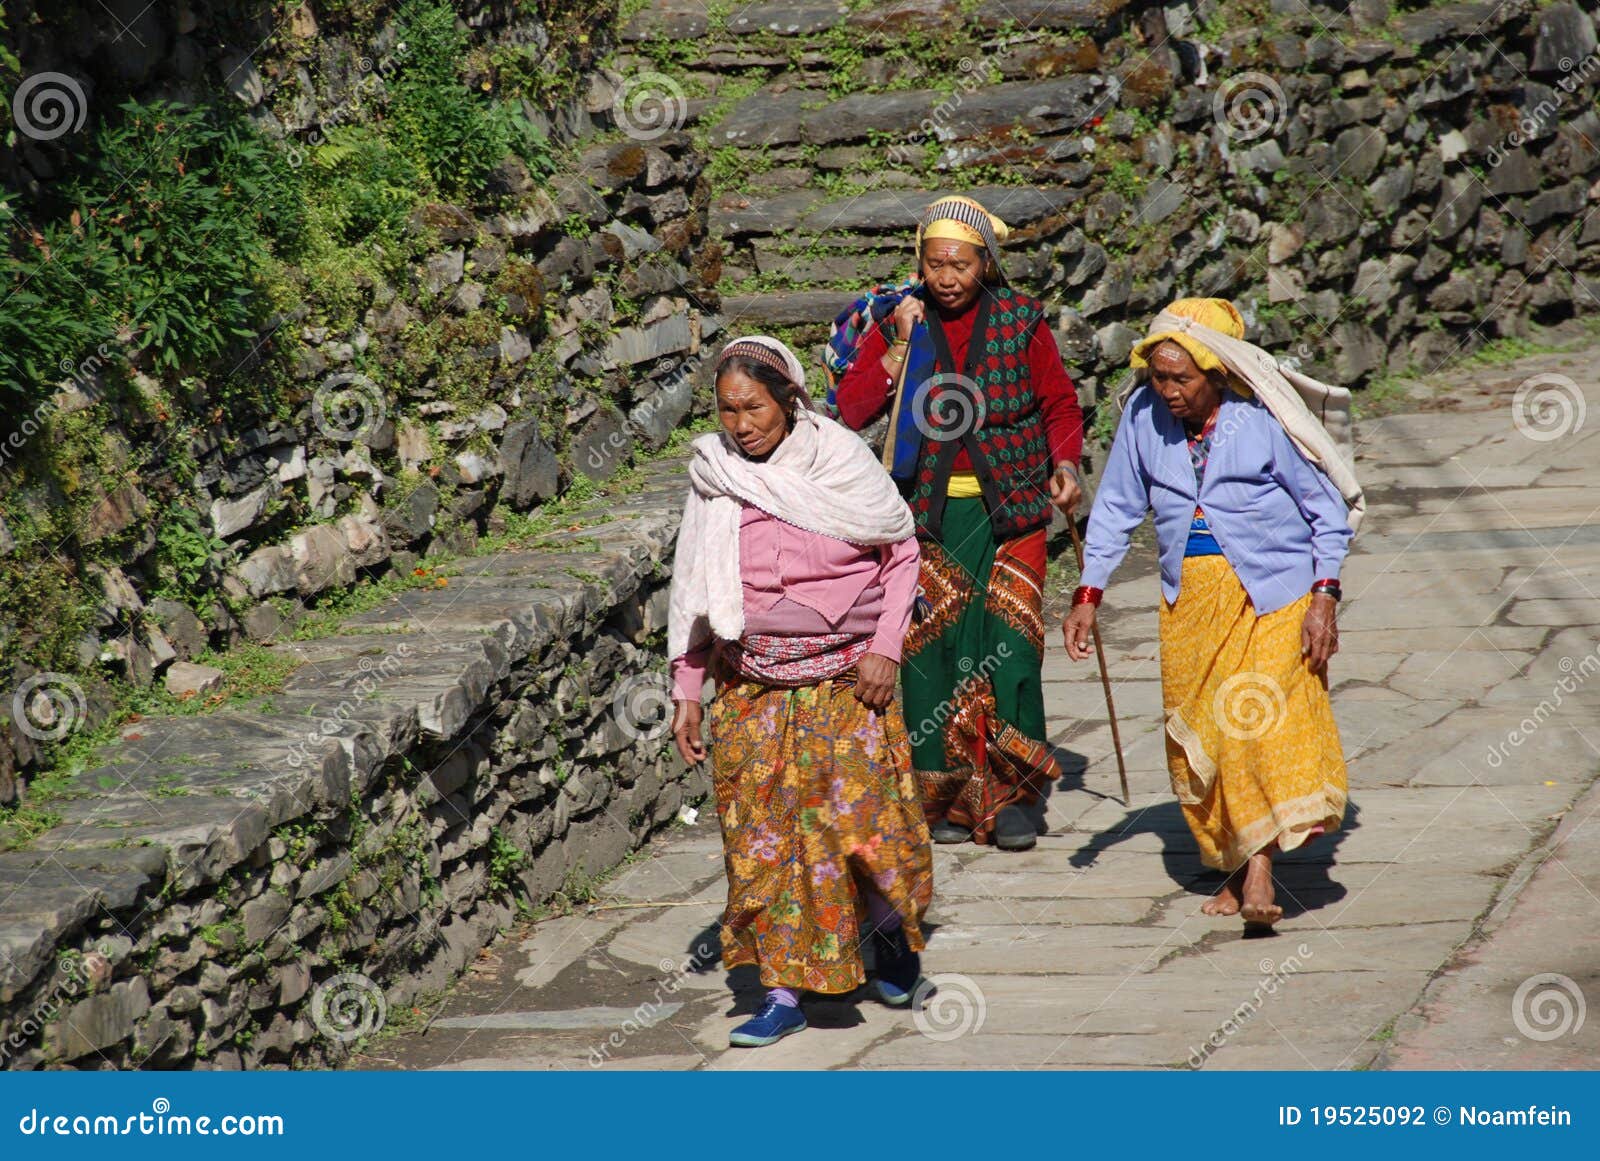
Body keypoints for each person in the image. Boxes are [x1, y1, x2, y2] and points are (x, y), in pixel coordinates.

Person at [668, 335, 932, 1048]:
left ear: (788, 398)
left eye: (753, 407)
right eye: (727, 410)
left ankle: (890, 940)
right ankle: (782, 990)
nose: (740, 424)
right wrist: (687, 687)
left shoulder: (839, 460)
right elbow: (694, 584)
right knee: (764, 840)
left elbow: (900, 549)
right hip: (750, 684)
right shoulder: (716, 473)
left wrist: (883, 649)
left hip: (848, 683)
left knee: (858, 831)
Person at [1063, 298, 1355, 930]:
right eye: (1159, 377)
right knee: (1209, 736)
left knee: (1256, 727)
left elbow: (1325, 514)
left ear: (1216, 374)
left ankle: (1258, 875)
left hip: (1276, 594)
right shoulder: (1143, 417)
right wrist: (1089, 594)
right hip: (1189, 600)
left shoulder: (1261, 423)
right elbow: (1115, 508)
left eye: (1181, 379)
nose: (1166, 391)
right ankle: (1234, 858)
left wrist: (1324, 598)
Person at [833, 194, 1084, 851]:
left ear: (987, 265)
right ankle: (941, 796)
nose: (947, 276)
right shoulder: (901, 322)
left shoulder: (1021, 321)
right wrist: (894, 351)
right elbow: (852, 410)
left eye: (961, 264)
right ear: (920, 262)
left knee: (1011, 648)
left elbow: (1058, 400)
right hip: (930, 520)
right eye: (935, 262)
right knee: (934, 658)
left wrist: (1066, 462)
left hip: (1015, 513)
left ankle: (1012, 797)